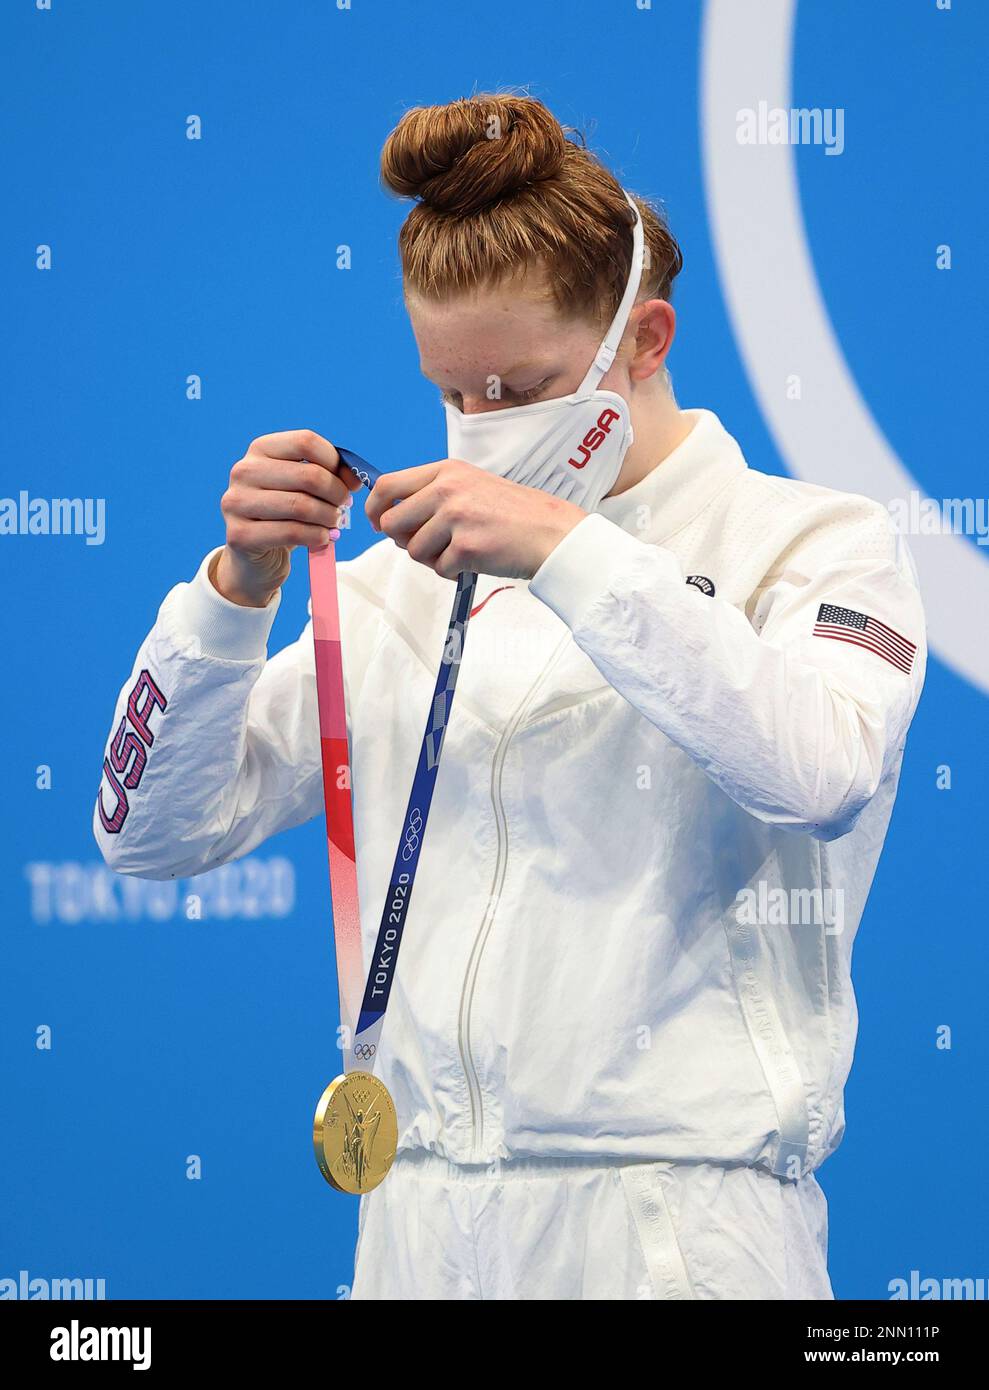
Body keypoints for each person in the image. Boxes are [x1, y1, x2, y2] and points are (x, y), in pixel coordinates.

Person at [94, 93, 926, 1300]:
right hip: (416, 1216)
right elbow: (148, 835)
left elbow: (819, 771)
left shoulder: (812, 542)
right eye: (454, 392)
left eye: (521, 386)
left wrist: (568, 552)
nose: (481, 427)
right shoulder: (392, 591)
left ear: (642, 341)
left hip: (675, 1222)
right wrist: (235, 589)